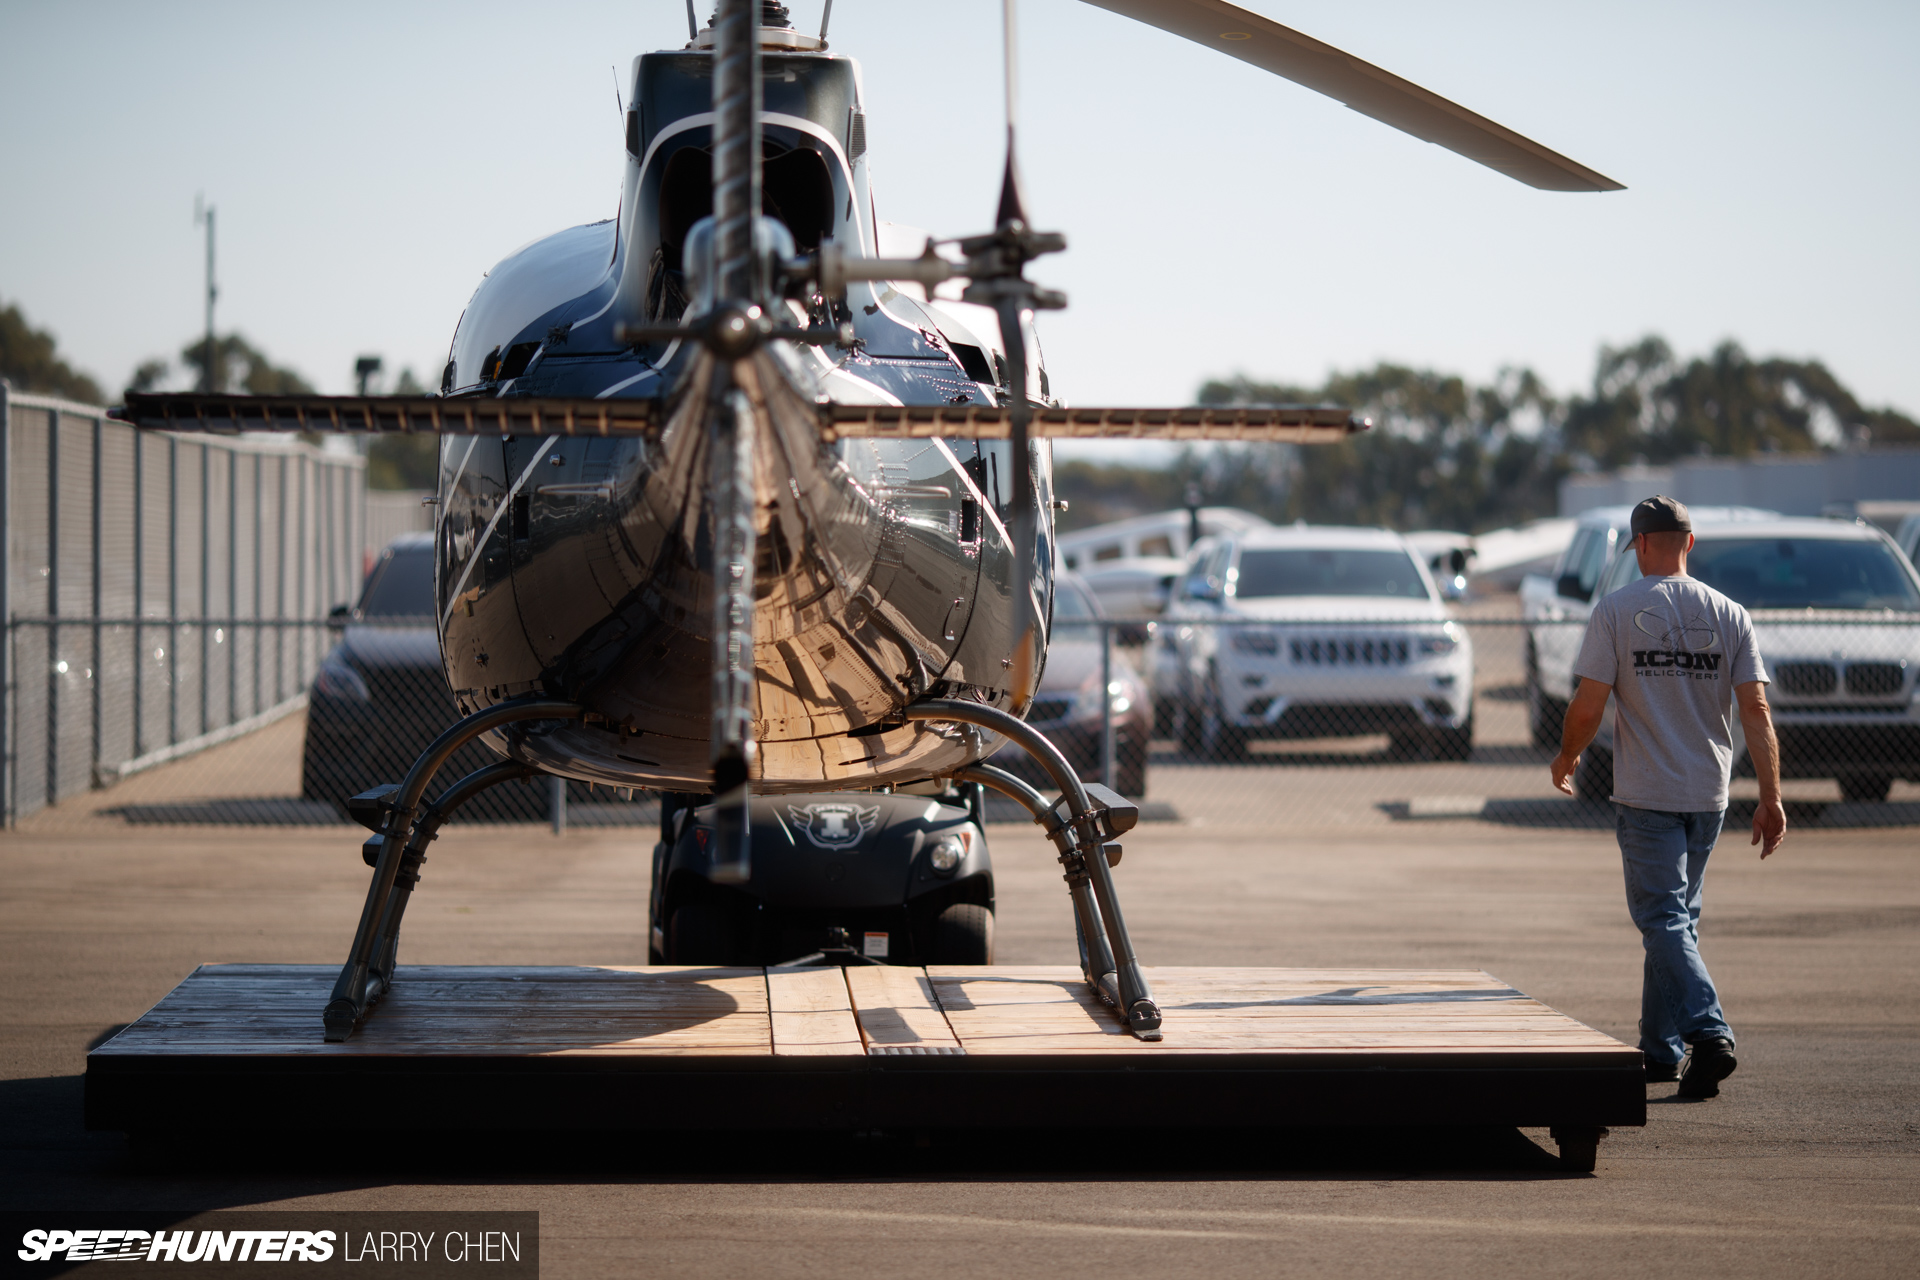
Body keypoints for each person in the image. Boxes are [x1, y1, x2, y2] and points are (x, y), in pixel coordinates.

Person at [1550, 495, 1787, 1098]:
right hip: (1709, 793)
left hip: (1648, 792)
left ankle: (1709, 1035)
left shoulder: (1617, 609)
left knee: (1662, 918)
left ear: (1643, 546)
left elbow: (1589, 700)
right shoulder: (1730, 612)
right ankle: (1660, 1051)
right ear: (1688, 543)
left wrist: (1569, 754)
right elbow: (1756, 708)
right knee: (1676, 921)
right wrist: (1770, 795)